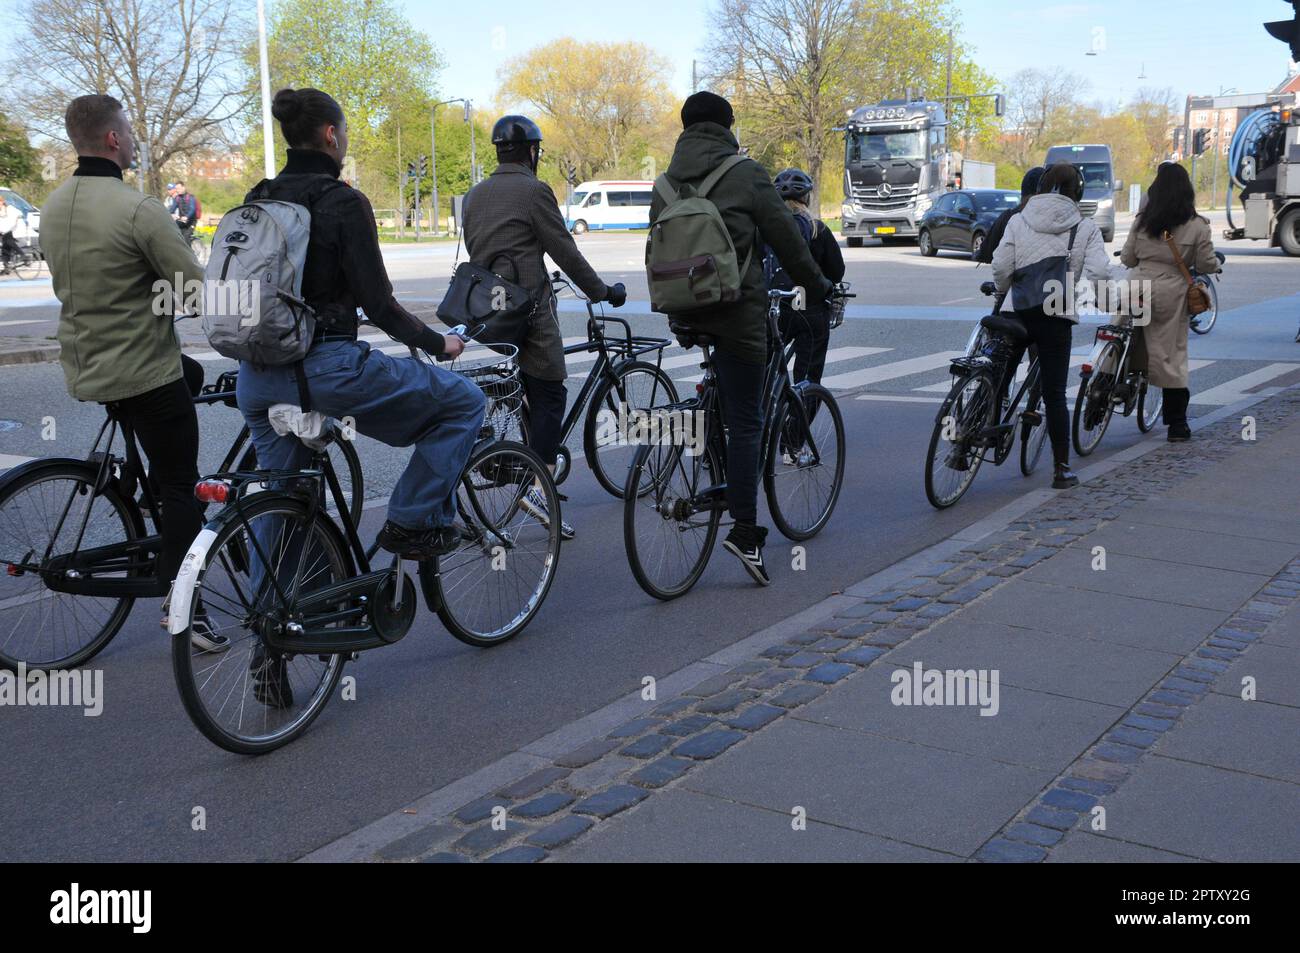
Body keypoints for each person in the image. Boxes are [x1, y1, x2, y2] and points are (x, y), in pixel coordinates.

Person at [236, 87, 484, 564]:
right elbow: (380, 304)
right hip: (325, 369)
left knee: (282, 501)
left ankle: (273, 620)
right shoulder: (342, 202)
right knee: (463, 405)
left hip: (257, 375)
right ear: (331, 135)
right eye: (344, 131)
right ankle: (413, 522)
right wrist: (439, 344)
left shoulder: (259, 196)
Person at [38, 94, 224, 651]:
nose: (135, 139)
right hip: (141, 369)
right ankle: (184, 606)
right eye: (129, 130)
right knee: (183, 485)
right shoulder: (136, 208)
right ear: (113, 139)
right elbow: (193, 291)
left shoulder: (52, 204)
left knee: (190, 376)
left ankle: (141, 492)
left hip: (85, 362)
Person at [652, 91, 834, 585]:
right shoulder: (746, 173)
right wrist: (819, 287)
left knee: (723, 396)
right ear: (728, 125)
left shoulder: (664, 182)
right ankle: (746, 532)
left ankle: (709, 464)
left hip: (683, 311)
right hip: (737, 313)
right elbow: (789, 241)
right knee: (747, 422)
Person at [461, 115, 626, 540]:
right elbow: (564, 251)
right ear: (532, 151)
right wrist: (601, 290)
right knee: (551, 391)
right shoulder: (534, 191)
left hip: (487, 312)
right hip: (528, 313)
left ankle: (525, 455)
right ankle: (540, 485)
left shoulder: (475, 194)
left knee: (529, 390)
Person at [992, 162, 1109, 490]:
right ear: (1078, 192)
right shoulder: (1084, 228)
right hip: (1056, 314)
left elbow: (1001, 265)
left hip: (1018, 310)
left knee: (1000, 376)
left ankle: (974, 435)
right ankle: (1061, 469)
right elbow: (1099, 273)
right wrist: (1095, 298)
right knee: (1055, 394)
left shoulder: (1018, 220)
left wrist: (1005, 289)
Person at [1120, 162, 1220, 441]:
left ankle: (1104, 386)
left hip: (1136, 287)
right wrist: (1215, 264)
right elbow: (1204, 262)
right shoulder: (1198, 226)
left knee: (1123, 338)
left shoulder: (1143, 220)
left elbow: (1127, 258)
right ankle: (1177, 425)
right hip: (1170, 292)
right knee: (1171, 355)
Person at [765, 167, 845, 386]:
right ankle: (801, 414)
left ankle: (767, 411)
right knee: (808, 376)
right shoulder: (817, 229)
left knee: (764, 368)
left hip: (774, 306)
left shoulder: (765, 229)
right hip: (809, 308)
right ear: (807, 197)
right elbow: (837, 271)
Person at [976, 166, 1044, 265]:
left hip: (1016, 278)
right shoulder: (1064, 219)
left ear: (1023, 193)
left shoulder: (1009, 218)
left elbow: (986, 254)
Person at [0, 194, 23, 274]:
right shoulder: (1, 211)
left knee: (8, 242)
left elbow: (18, 214)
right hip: (5, 231)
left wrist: (17, 219)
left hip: (12, 229)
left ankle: (23, 255)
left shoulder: (10, 208)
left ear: (2, 202)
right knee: (5, 248)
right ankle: (6, 267)